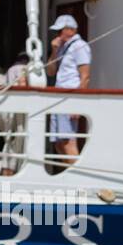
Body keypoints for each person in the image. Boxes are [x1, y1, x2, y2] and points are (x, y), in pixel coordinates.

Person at [46, 15, 91, 162]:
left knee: (68, 142)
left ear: (71, 30)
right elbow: (50, 72)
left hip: (69, 98)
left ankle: (80, 183)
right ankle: (73, 180)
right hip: (59, 98)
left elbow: (85, 76)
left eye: (60, 31)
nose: (57, 34)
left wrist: (77, 104)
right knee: (59, 144)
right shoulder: (63, 47)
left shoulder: (79, 46)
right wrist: (53, 51)